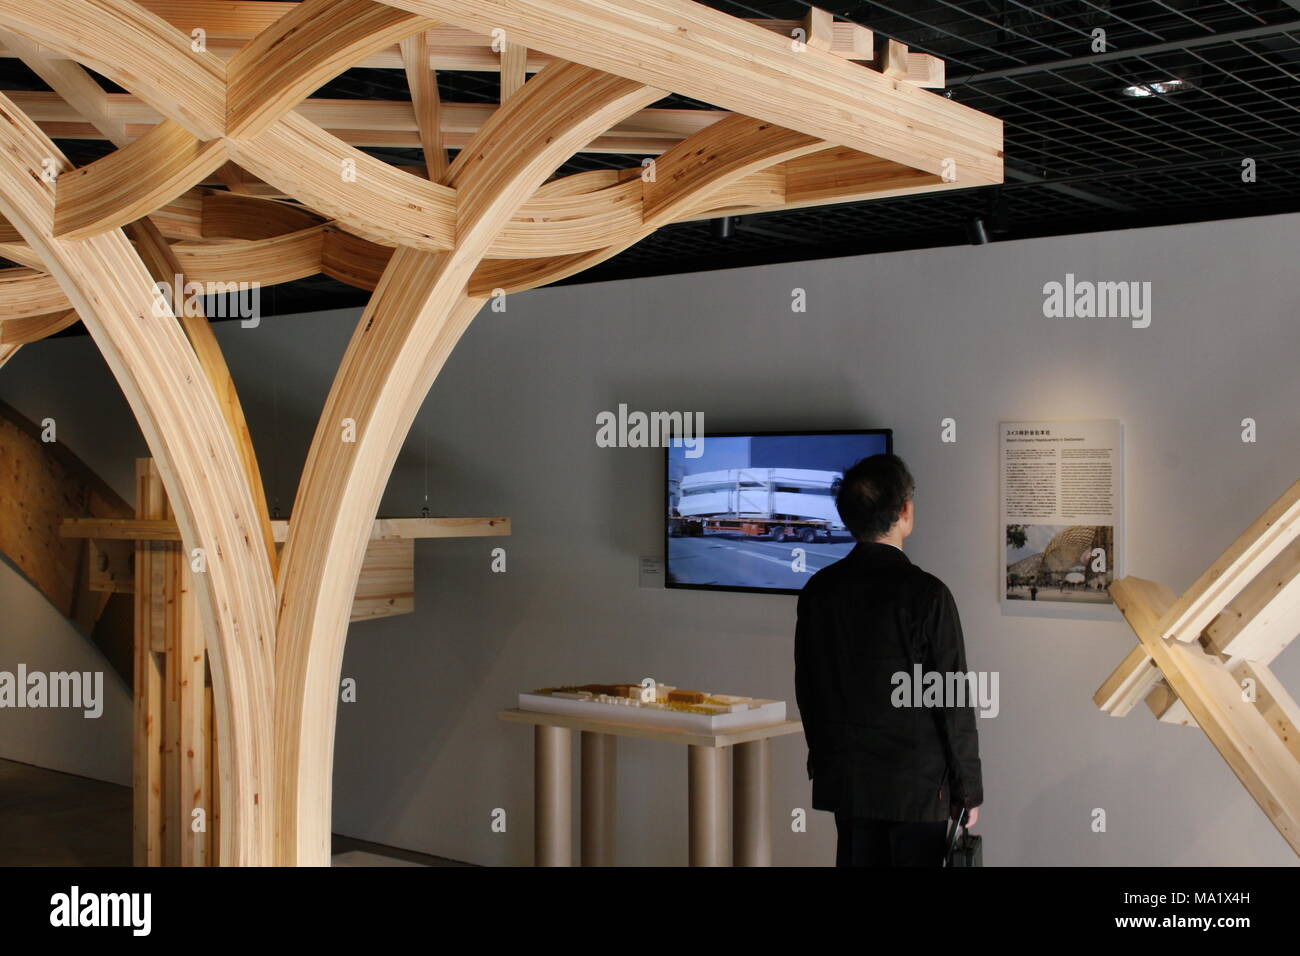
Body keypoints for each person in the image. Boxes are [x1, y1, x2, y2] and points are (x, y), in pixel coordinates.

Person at [794, 453, 982, 866]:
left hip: (848, 782)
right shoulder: (927, 594)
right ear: (904, 511)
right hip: (916, 786)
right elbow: (952, 701)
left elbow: (809, 688)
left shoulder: (818, 591)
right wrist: (968, 789)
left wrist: (826, 762)